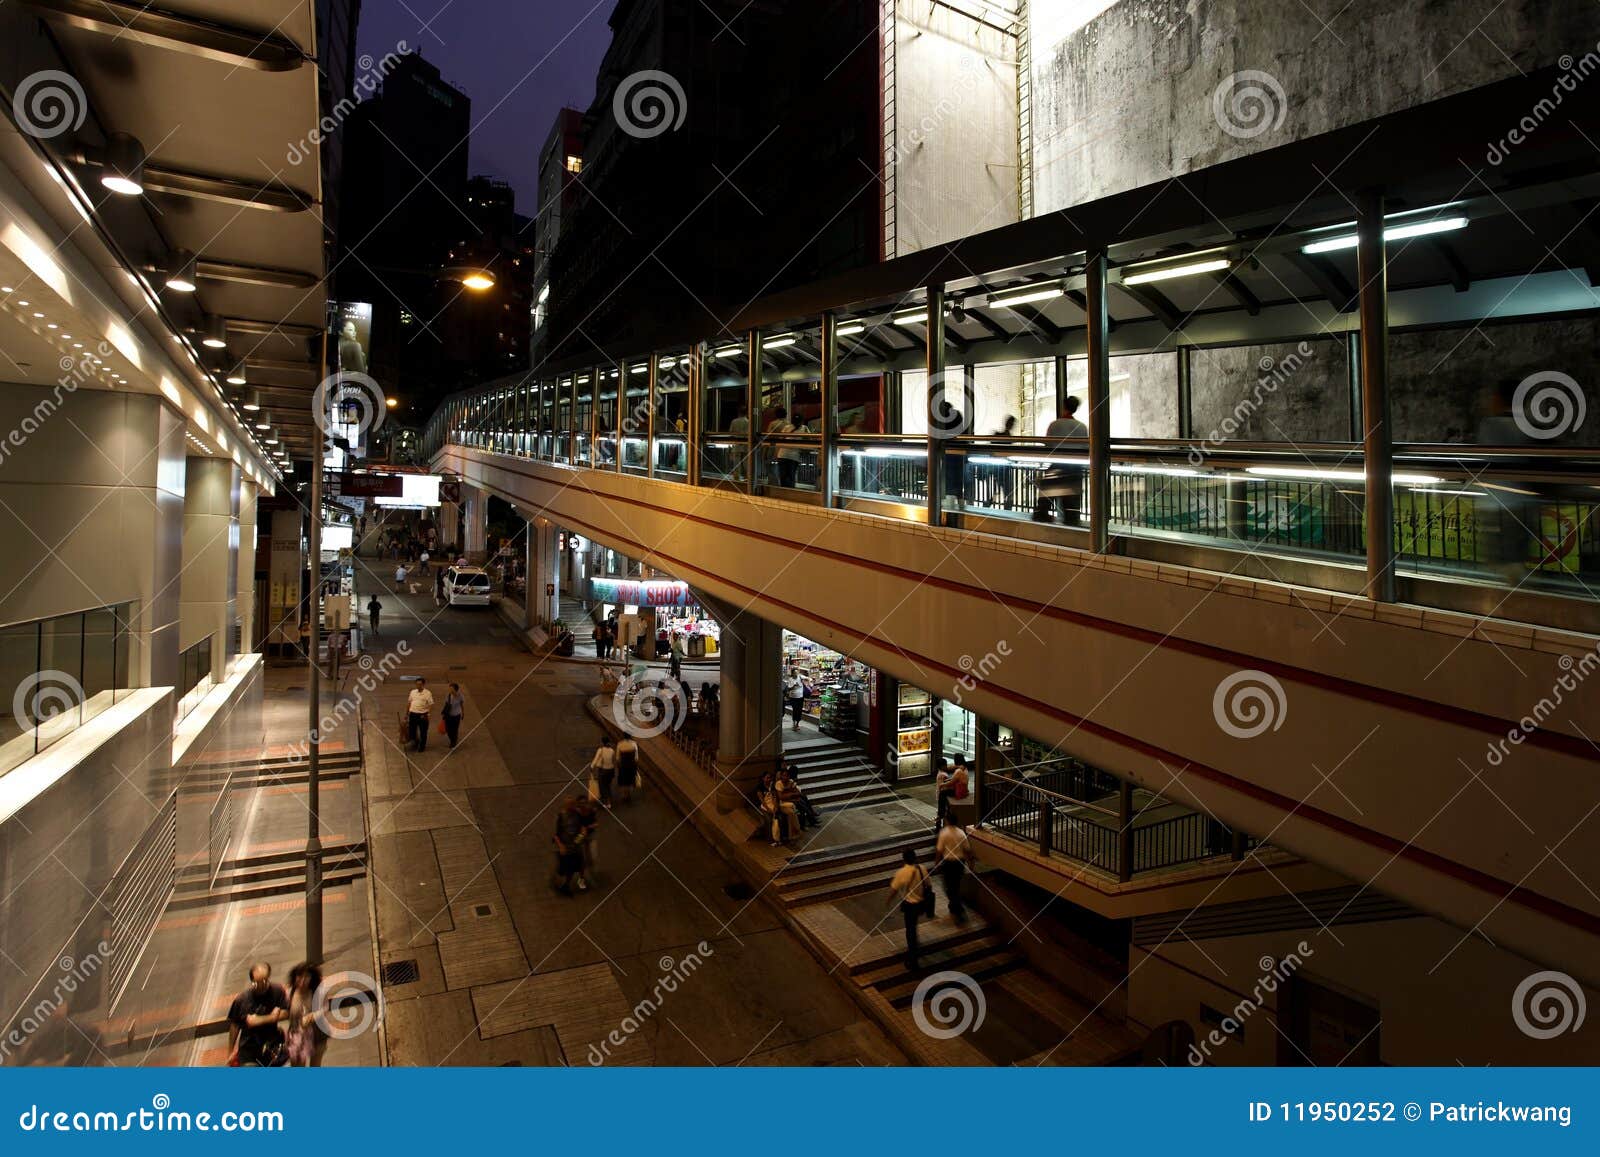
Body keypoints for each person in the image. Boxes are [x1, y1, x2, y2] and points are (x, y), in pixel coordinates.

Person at [1034, 395, 1089, 525]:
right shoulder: (1081, 426)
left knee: (1046, 496)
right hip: (1075, 469)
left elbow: (1048, 445)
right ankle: (1071, 520)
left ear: (1064, 406)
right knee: (1072, 506)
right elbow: (1086, 448)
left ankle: (1043, 515)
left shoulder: (1054, 425)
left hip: (1057, 465)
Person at [227, 962, 289, 1066]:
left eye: (265, 981)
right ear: (252, 982)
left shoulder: (277, 991)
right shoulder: (241, 1000)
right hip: (249, 1049)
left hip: (271, 1046)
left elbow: (287, 1012)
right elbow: (234, 1026)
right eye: (258, 983)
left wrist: (263, 1019)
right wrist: (230, 1052)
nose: (262, 986)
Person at [886, 850, 932, 970]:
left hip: (910, 905)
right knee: (913, 928)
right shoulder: (922, 868)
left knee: (910, 930)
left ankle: (913, 959)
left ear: (904, 859)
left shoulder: (902, 872)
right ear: (915, 858)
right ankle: (915, 947)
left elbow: (894, 889)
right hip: (921, 903)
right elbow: (929, 884)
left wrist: (888, 901)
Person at [285, 962, 328, 1067]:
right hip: (297, 1035)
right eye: (299, 976)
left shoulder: (318, 991)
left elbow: (325, 1007)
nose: (303, 981)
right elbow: (284, 1011)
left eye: (306, 977)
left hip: (317, 1034)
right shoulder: (289, 993)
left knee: (315, 1065)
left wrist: (313, 1016)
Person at [935, 813, 975, 921]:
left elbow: (939, 851)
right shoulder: (961, 833)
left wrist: (937, 863)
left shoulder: (944, 833)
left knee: (948, 886)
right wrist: (971, 863)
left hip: (948, 863)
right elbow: (967, 850)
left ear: (947, 821)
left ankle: (958, 909)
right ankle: (954, 907)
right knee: (956, 885)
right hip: (959, 863)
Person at [553, 795, 594, 893]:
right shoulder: (561, 816)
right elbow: (556, 834)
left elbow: (583, 829)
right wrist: (561, 846)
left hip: (576, 846)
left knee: (580, 864)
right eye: (569, 805)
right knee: (568, 866)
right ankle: (566, 883)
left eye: (572, 804)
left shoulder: (578, 814)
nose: (571, 806)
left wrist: (578, 840)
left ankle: (580, 880)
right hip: (566, 846)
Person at [765, 407, 798, 487]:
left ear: (776, 415)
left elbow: (767, 436)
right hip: (784, 448)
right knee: (784, 469)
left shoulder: (773, 424)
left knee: (771, 466)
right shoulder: (789, 424)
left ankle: (773, 484)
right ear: (786, 414)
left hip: (773, 447)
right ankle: (786, 485)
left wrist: (765, 451)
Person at [778, 764, 818, 829]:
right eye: (784, 776)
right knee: (803, 805)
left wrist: (793, 794)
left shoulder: (790, 781)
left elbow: (797, 792)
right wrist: (792, 795)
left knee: (803, 801)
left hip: (793, 798)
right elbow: (781, 797)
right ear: (781, 776)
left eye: (787, 776)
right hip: (787, 801)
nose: (786, 777)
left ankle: (811, 819)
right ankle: (811, 819)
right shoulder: (779, 783)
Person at [589, 734, 617, 808]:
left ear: (602, 742)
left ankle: (607, 803)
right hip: (611, 771)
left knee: (602, 786)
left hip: (603, 771)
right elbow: (614, 760)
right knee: (608, 785)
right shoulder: (612, 750)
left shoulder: (600, 750)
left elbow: (596, 759)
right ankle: (609, 800)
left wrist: (592, 767)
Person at [407, 677, 434, 752]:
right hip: (413, 714)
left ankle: (422, 746)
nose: (418, 686)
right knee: (412, 731)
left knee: (423, 732)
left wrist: (428, 714)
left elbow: (431, 704)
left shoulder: (427, 693)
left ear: (423, 684)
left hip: (422, 715)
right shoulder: (413, 692)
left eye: (420, 684)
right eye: (417, 684)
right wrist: (407, 714)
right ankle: (416, 742)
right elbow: (409, 703)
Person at [615, 733, 639, 803]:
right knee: (630, 779)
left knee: (623, 780)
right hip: (631, 764)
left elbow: (617, 757)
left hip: (623, 764)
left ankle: (624, 794)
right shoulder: (634, 744)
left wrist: (618, 764)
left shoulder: (620, 744)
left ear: (623, 736)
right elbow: (636, 757)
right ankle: (629, 794)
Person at [442, 682, 465, 749]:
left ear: (456, 689)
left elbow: (462, 705)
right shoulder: (448, 695)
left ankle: (453, 742)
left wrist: (463, 713)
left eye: (451, 689)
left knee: (454, 729)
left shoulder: (460, 696)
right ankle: (453, 739)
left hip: (456, 716)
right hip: (449, 715)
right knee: (448, 729)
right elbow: (446, 704)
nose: (450, 690)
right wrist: (444, 713)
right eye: (449, 689)